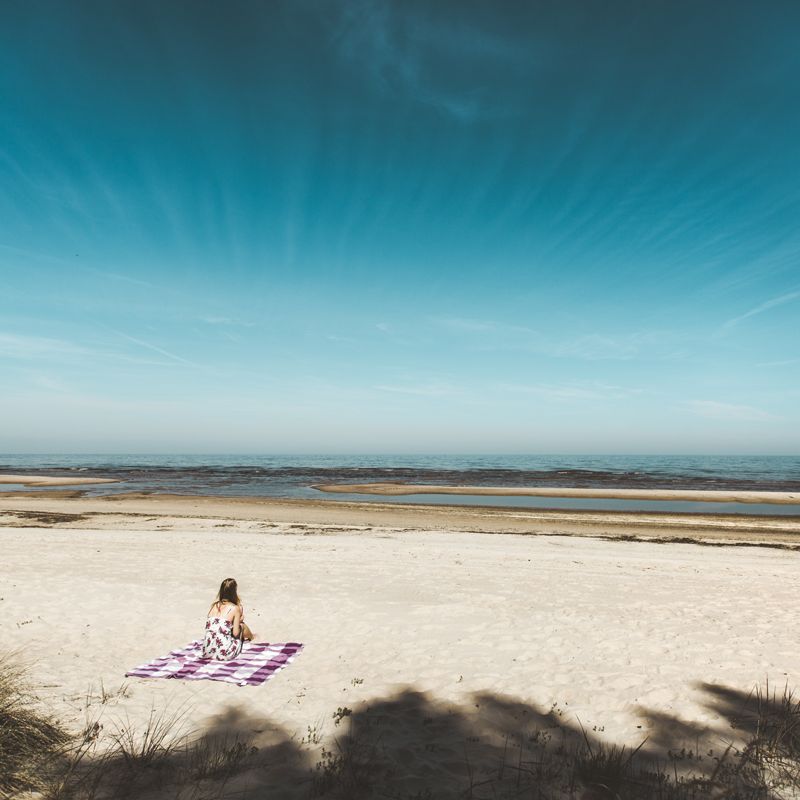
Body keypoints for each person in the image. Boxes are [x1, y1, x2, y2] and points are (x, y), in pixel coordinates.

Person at [201, 577, 254, 661]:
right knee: (242, 626)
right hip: (224, 653)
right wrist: (240, 619)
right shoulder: (235, 608)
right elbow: (236, 633)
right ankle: (252, 637)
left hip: (207, 651)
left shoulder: (214, 605)